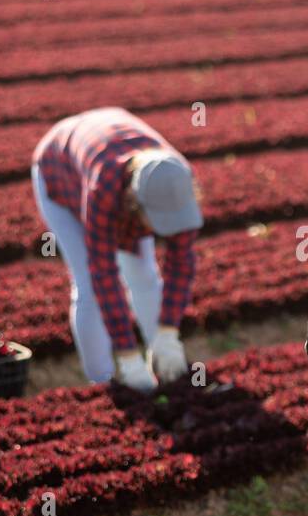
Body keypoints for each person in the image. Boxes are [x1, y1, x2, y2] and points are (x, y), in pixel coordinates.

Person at [31, 106, 202, 392]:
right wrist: (127, 354)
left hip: (107, 142)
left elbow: (181, 263)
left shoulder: (177, 182)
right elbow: (104, 274)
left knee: (145, 275)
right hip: (59, 172)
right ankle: (104, 379)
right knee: (87, 284)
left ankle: (163, 362)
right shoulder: (103, 188)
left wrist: (168, 332)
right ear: (135, 206)